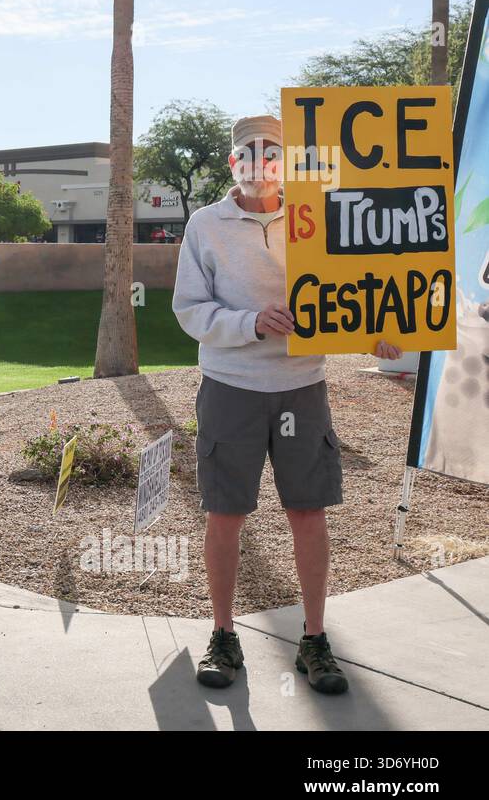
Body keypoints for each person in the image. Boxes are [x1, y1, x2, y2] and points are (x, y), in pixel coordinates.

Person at [172, 115, 402, 695]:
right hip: (230, 387)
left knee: (308, 512)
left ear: (287, 161)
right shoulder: (205, 224)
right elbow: (189, 310)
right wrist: (249, 322)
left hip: (303, 384)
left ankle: (315, 641)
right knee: (225, 514)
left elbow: (346, 293)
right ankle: (223, 636)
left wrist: (376, 331)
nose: (260, 161)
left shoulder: (320, 218)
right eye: (248, 152)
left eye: (271, 151)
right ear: (233, 164)